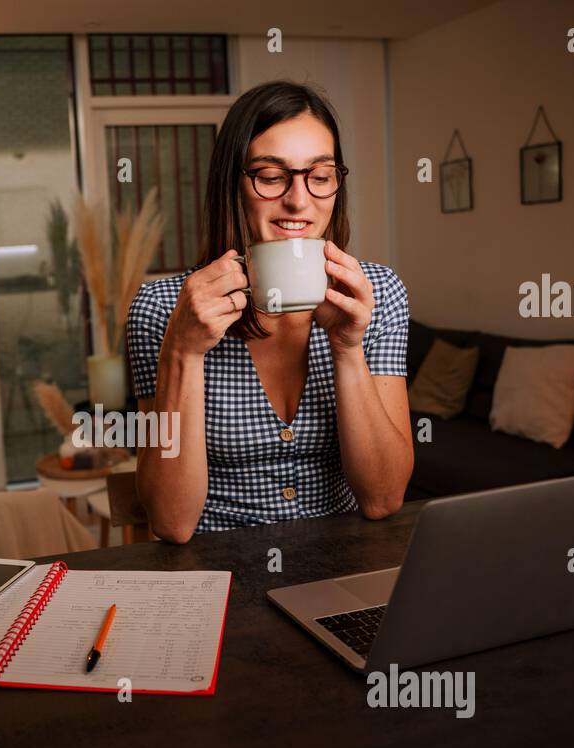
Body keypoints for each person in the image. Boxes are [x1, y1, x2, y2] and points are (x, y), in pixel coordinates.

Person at [125, 80, 414, 543]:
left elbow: (383, 498)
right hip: (219, 568)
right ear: (232, 184)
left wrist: (347, 349)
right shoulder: (163, 308)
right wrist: (183, 351)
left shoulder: (377, 292)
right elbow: (171, 522)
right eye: (271, 175)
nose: (299, 199)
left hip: (342, 563)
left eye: (319, 175)